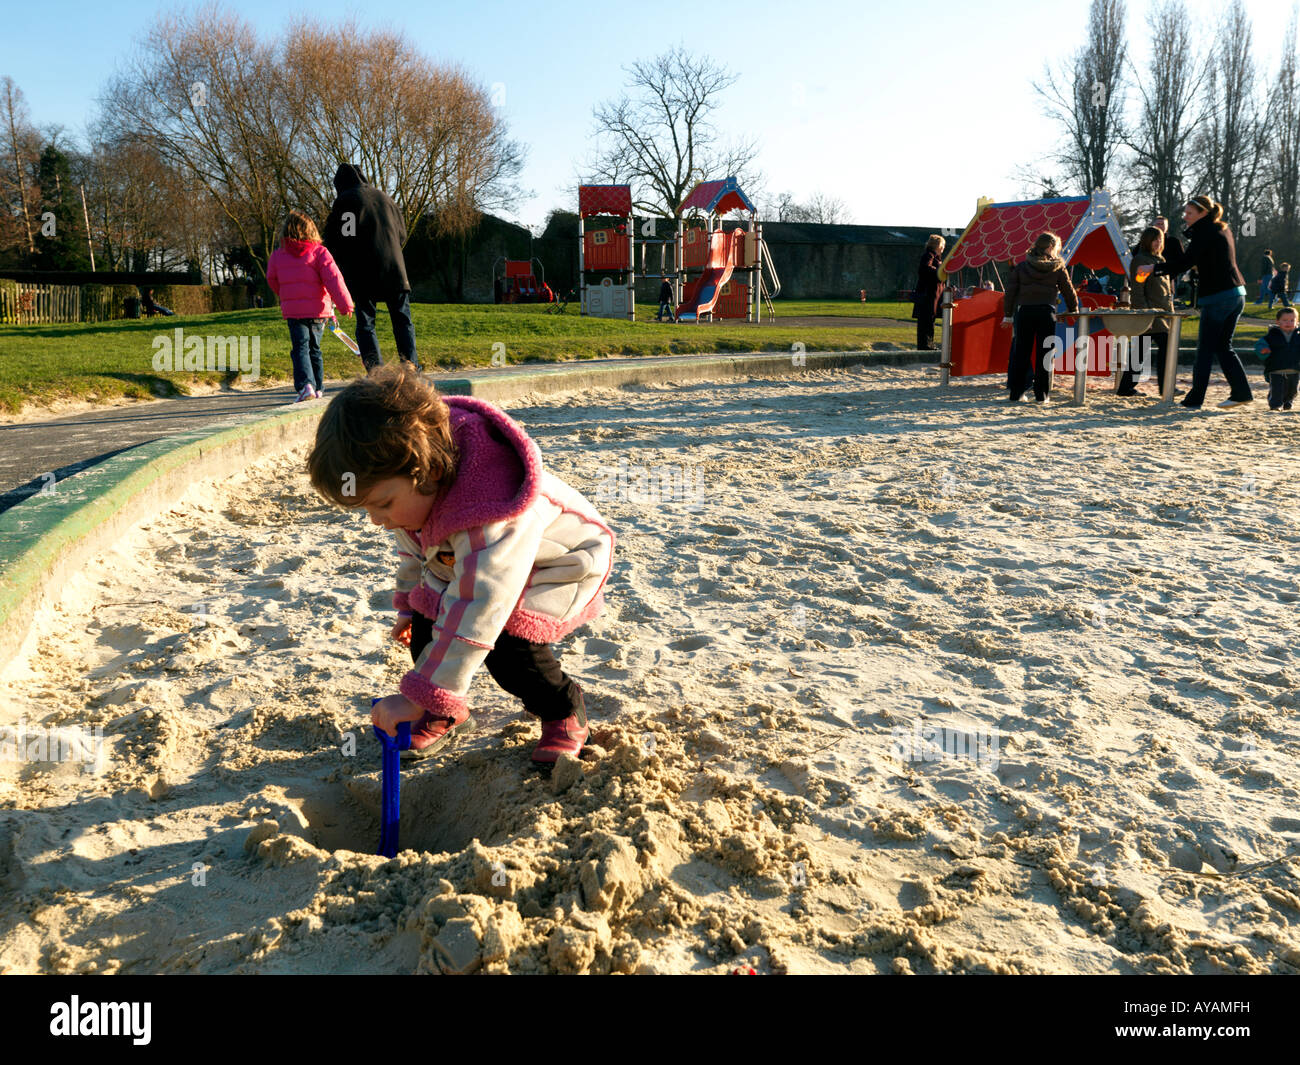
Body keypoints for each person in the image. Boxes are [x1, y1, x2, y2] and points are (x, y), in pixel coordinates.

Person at [306, 365, 616, 764]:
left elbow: (481, 606)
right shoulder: (414, 493)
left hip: (562, 562)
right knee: (425, 628)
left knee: (509, 649)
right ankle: (444, 708)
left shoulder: (489, 512)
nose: (375, 519)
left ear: (429, 472)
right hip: (478, 564)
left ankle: (563, 709)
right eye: (366, 507)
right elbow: (415, 552)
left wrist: (414, 695)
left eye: (382, 504)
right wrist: (408, 605)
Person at [322, 162, 422, 374]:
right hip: (395, 270)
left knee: (366, 323)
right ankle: (411, 366)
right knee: (402, 320)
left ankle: (376, 371)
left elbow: (341, 237)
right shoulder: (386, 198)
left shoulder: (346, 200)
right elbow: (402, 234)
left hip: (363, 272)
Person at [1155, 195, 1253, 409]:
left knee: (1206, 350)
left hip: (1218, 297)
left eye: (1189, 213)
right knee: (1223, 346)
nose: (1185, 217)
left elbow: (1185, 262)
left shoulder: (1204, 231)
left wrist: (1155, 269)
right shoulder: (1222, 229)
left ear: (1203, 213)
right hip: (1237, 293)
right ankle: (1241, 392)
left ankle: (1195, 399)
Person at [267, 209, 354, 402]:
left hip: (293, 312)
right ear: (311, 231)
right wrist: (345, 304)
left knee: (300, 347)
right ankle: (319, 387)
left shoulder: (277, 255)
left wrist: (284, 294)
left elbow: (271, 279)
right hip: (318, 311)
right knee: (314, 348)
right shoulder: (320, 252)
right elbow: (334, 279)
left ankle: (306, 385)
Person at [1003, 231, 1079, 403]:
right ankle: (1042, 395)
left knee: (1021, 353)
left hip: (1024, 312)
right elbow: (1069, 290)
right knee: (1045, 354)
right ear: (1051, 247)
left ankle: (1017, 393)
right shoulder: (1057, 267)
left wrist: (1007, 315)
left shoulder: (1022, 267)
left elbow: (1010, 292)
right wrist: (1073, 309)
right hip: (1047, 312)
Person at [1118, 226, 1175, 396]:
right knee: (1164, 349)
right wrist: (1144, 314)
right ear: (1147, 241)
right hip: (1152, 315)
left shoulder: (1160, 259)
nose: (1158, 243)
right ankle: (1165, 386)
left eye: (1160, 240)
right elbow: (1138, 288)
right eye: (1154, 239)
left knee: (1139, 353)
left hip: (1163, 314)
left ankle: (1126, 387)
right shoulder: (1141, 260)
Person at [1254, 307, 1300, 410]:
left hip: (1295, 368)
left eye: (1292, 320)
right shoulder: (1272, 336)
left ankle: (1288, 402)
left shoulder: (1298, 336)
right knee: (1277, 389)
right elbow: (1260, 344)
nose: (1288, 323)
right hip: (1276, 368)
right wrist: (1263, 350)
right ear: (1278, 322)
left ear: (1297, 322)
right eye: (1285, 320)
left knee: (1293, 390)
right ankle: (1275, 405)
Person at [912, 234, 946, 350]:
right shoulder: (928, 255)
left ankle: (929, 343)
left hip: (932, 295)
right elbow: (924, 269)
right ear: (938, 246)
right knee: (926, 320)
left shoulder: (934, 257)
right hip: (927, 295)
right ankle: (925, 344)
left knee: (930, 319)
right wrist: (939, 271)